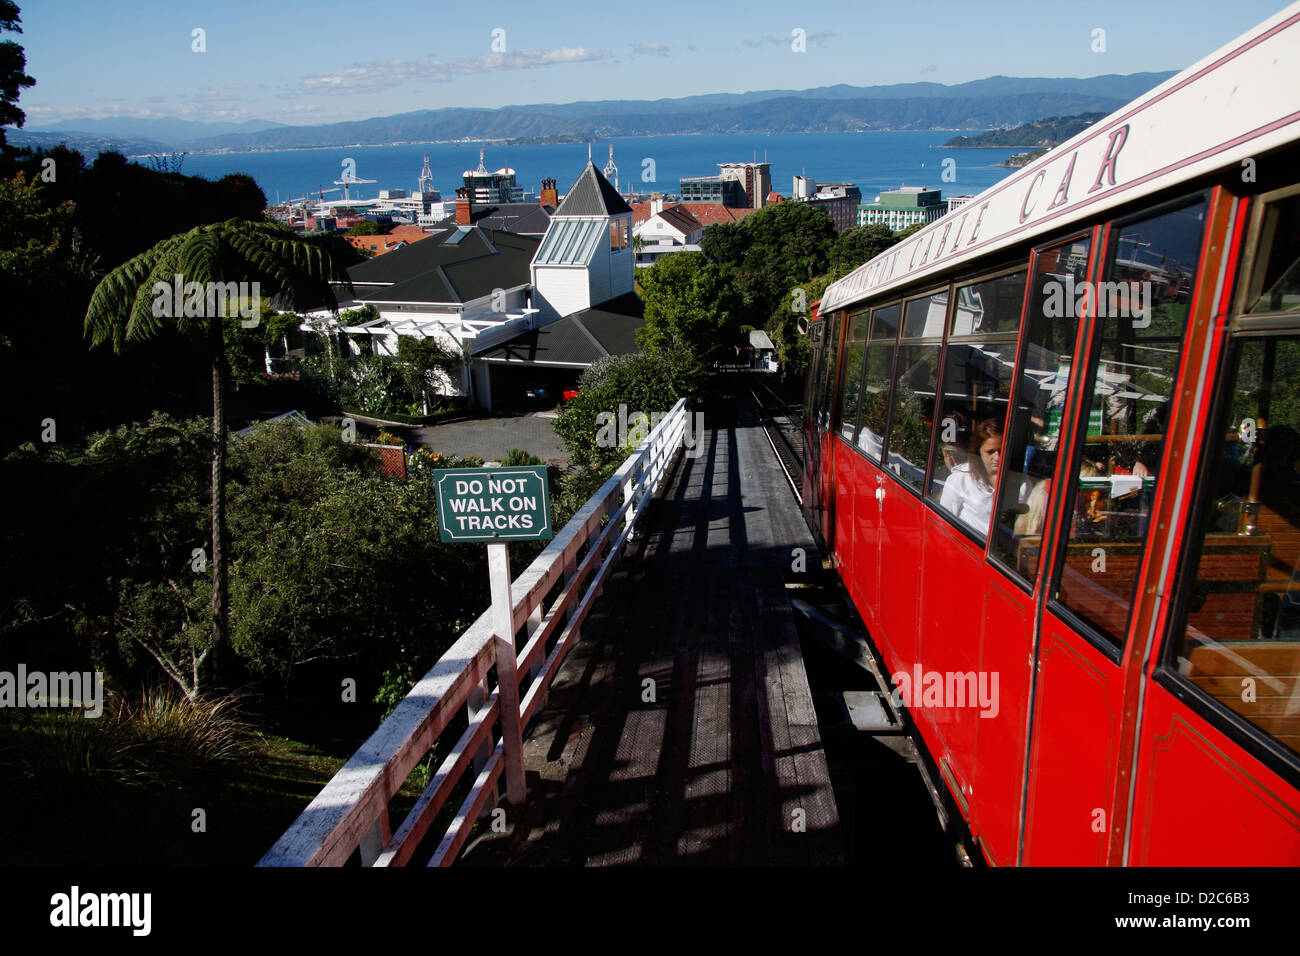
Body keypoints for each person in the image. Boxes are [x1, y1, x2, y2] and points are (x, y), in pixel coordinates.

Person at [940, 417, 1004, 536]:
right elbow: (944, 524)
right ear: (978, 453)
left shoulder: (1022, 485)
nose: (998, 457)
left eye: (1002, 451)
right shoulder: (960, 479)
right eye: (990, 452)